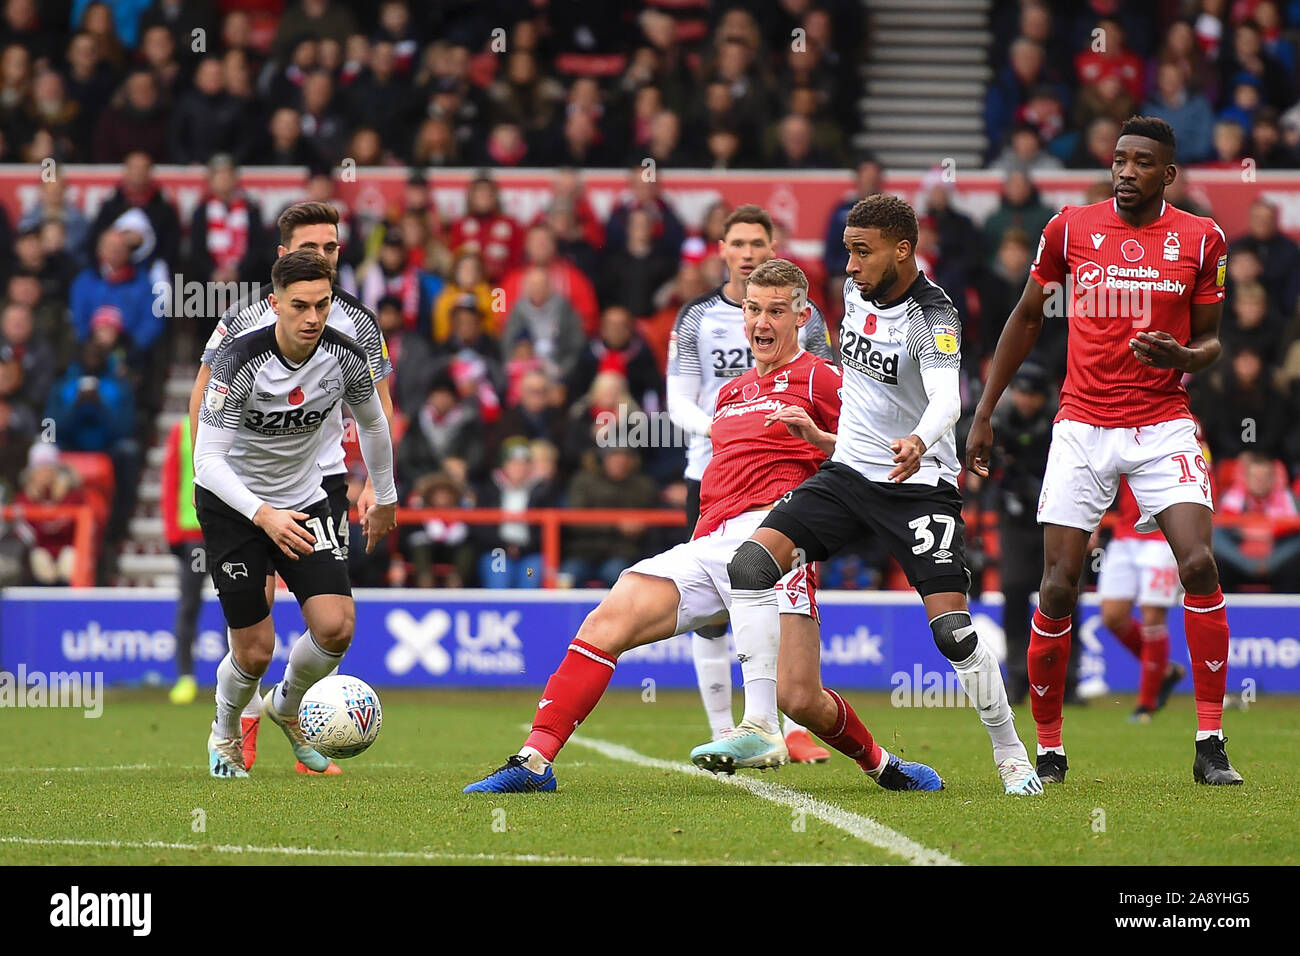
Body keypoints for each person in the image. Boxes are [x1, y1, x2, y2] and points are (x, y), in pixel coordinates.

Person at [464, 259, 942, 793]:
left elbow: (886, 457)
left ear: (803, 316)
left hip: (780, 535)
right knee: (607, 620)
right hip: (710, 540)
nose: (762, 322)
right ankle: (534, 762)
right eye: (753, 310)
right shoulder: (730, 392)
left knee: (801, 699)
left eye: (777, 312)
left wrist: (820, 440)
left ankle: (874, 763)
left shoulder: (823, 378)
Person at [705, 195, 1042, 795]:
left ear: (903, 250)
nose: (852, 266)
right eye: (848, 252)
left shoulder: (934, 315)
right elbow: (867, 393)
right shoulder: (855, 293)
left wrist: (918, 439)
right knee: (750, 564)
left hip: (916, 487)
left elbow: (947, 398)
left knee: (953, 634)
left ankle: (1012, 753)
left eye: (863, 252)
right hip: (848, 474)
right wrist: (827, 437)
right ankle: (759, 724)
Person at [967, 115, 1242, 785]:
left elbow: (1212, 341)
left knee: (1200, 563)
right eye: (1119, 158)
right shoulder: (1069, 228)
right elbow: (1028, 317)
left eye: (1142, 162)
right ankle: (1052, 749)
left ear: (1167, 174)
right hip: (1083, 427)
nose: (1126, 170)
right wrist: (984, 409)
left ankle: (1210, 744)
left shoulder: (1202, 239)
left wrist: (1185, 356)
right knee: (1058, 586)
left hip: (1163, 424)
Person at [188, 201, 395, 773]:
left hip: (309, 489)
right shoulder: (239, 351)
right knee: (255, 649)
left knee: (335, 626)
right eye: (300, 304)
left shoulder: (350, 340)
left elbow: (375, 419)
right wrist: (254, 511)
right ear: (276, 295)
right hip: (237, 500)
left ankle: (287, 707)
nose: (312, 316)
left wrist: (385, 494)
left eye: (330, 251)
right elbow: (207, 455)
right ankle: (227, 727)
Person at [666, 204, 833, 762]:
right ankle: (725, 732)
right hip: (711, 470)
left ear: (771, 247)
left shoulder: (805, 318)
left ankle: (783, 728)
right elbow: (676, 399)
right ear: (722, 250)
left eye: (757, 243)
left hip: (783, 475)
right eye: (737, 243)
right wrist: (719, 428)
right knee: (712, 610)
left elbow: (828, 388)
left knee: (781, 594)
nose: (747, 252)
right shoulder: (696, 318)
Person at [1097, 477, 1187, 722]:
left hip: (1164, 536)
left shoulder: (1187, 437)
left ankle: (1145, 705)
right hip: (1125, 535)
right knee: (1113, 617)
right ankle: (1165, 672)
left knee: (1152, 617)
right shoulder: (1118, 436)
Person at [161, 416, 207, 705]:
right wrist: (172, 532)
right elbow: (170, 479)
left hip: (230, 530)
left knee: (239, 607)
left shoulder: (239, 414)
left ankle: (239, 680)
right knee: (189, 605)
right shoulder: (182, 428)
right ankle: (185, 677)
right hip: (195, 536)